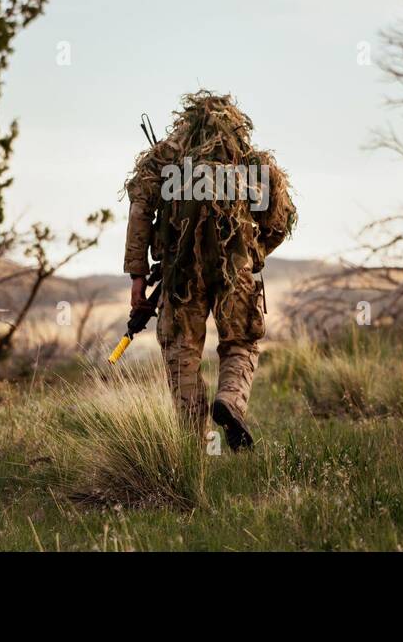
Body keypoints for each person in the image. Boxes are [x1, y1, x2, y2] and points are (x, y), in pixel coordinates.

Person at [123, 92, 296, 451]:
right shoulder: (250, 161)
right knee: (240, 341)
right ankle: (230, 400)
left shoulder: (164, 158)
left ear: (185, 121)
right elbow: (283, 217)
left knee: (181, 349)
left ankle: (193, 443)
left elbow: (140, 211)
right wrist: (254, 252)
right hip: (235, 268)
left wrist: (138, 276)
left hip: (180, 271)